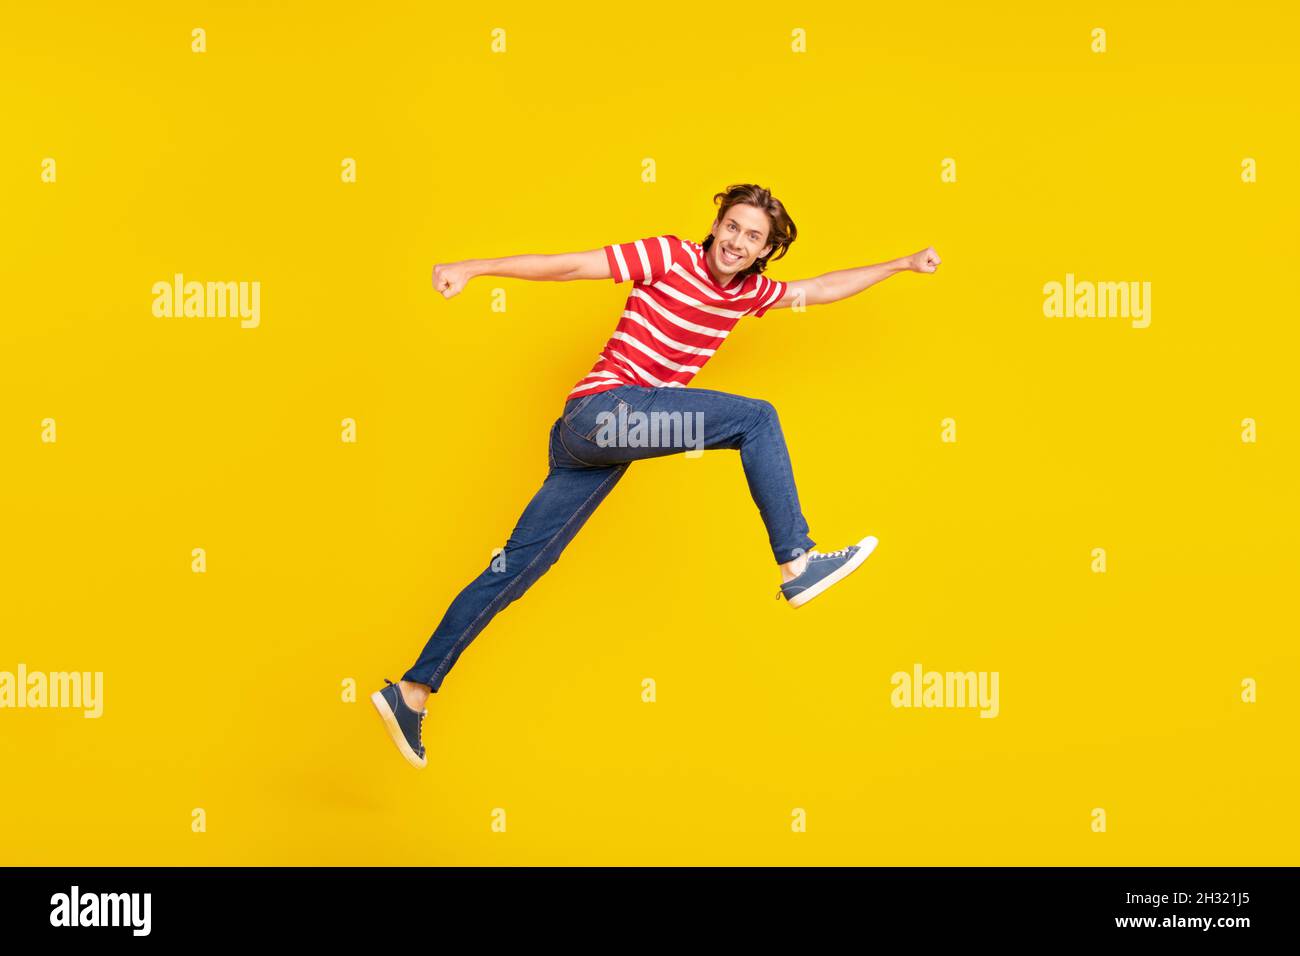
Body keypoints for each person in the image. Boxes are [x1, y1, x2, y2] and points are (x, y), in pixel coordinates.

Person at [372, 183, 941, 768]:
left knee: (518, 568)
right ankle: (796, 561)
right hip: (602, 413)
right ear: (716, 225)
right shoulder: (669, 257)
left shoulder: (749, 295)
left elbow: (820, 288)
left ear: (765, 250)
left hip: (597, 446)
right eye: (732, 227)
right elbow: (571, 266)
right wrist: (473, 268)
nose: (737, 242)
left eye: (753, 237)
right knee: (756, 419)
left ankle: (411, 691)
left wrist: (899, 264)